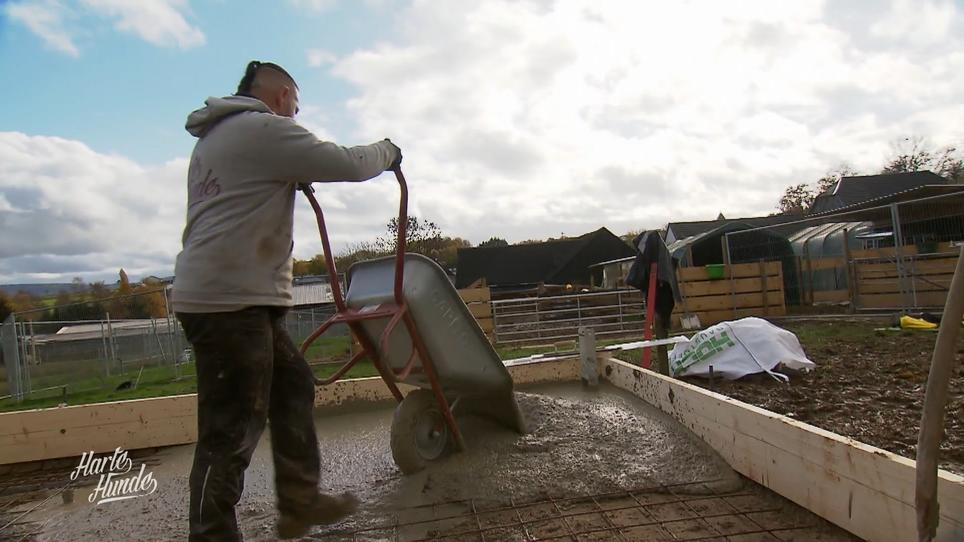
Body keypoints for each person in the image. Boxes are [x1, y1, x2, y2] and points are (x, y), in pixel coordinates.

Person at [171, 60, 401, 541]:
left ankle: (299, 502)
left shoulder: (220, 139)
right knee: (231, 429)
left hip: (231, 296)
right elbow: (349, 163)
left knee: (293, 383)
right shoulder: (262, 130)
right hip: (228, 303)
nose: (294, 118)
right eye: (294, 108)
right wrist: (389, 149)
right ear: (279, 97)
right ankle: (211, 535)